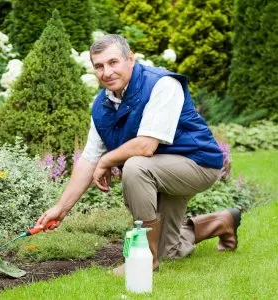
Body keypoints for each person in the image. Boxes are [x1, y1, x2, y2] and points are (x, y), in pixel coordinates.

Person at [36, 34, 241, 275]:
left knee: (135, 167)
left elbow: (145, 146)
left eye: (113, 62)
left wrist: (107, 160)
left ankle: (144, 259)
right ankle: (222, 222)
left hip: (197, 164)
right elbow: (89, 159)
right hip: (161, 170)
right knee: (170, 250)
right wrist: (61, 208)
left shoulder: (162, 84)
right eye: (99, 66)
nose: (107, 72)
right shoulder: (102, 105)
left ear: (130, 59)